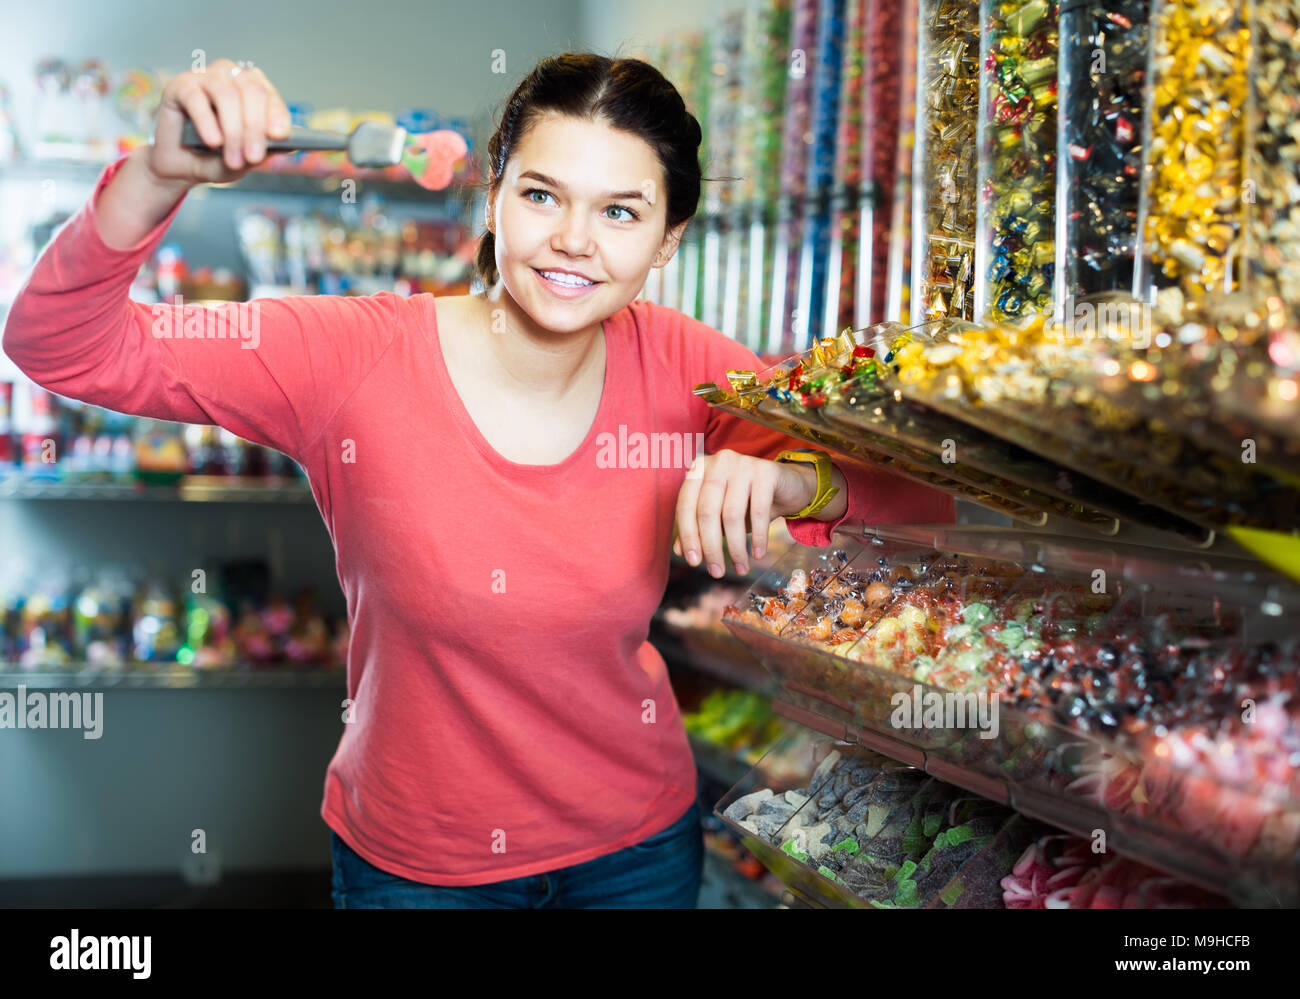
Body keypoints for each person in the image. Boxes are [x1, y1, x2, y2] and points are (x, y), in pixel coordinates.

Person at [3, 52, 955, 908]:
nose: (575, 240)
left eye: (621, 211)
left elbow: (928, 498)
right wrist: (158, 175)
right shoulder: (352, 356)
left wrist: (797, 484)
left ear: (667, 241)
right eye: (542, 195)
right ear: (492, 195)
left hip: (638, 848)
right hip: (419, 868)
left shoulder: (687, 364)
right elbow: (60, 345)